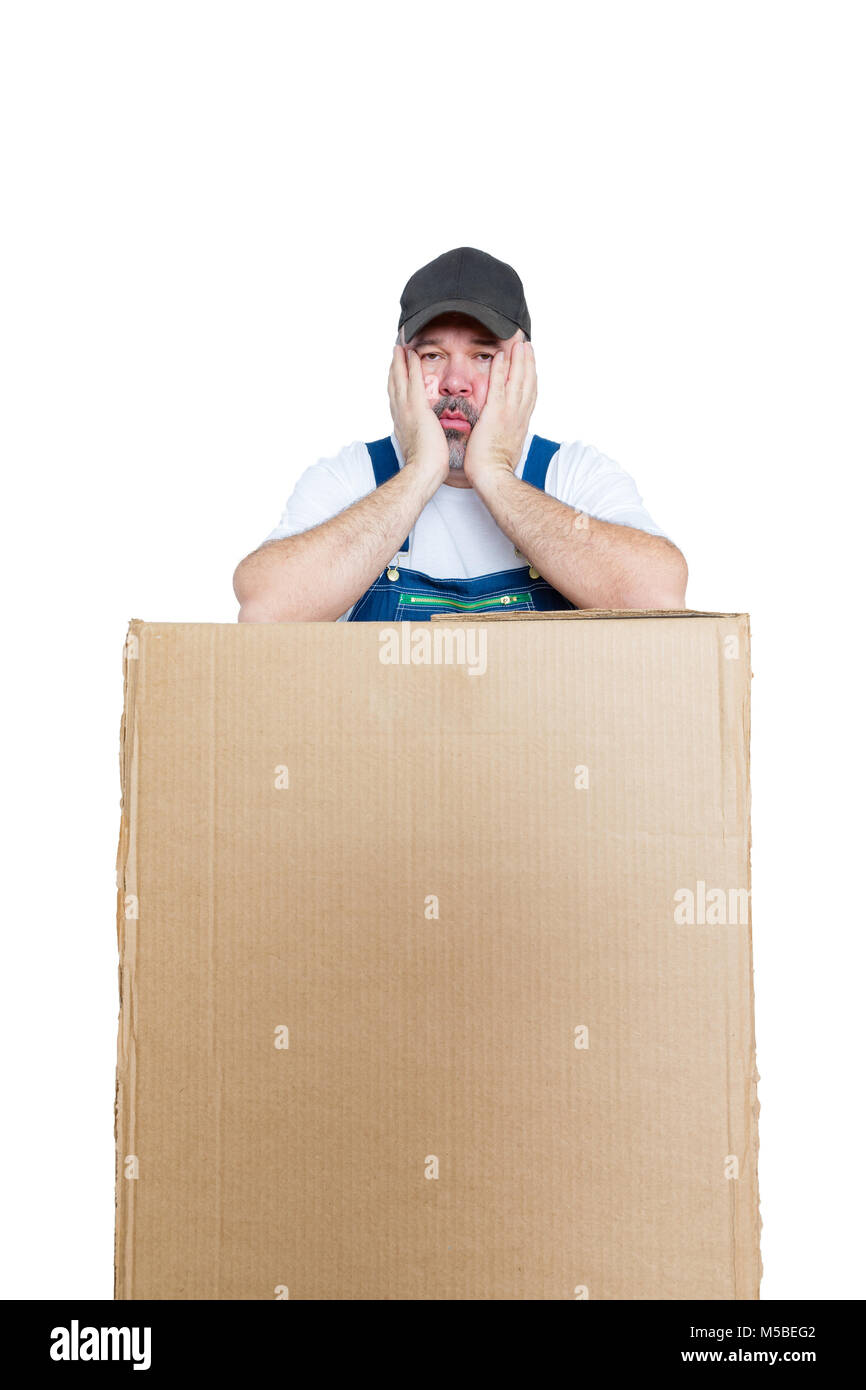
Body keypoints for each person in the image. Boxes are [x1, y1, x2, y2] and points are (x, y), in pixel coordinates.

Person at [233, 247, 687, 621]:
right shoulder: (349, 479)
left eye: (483, 356)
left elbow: (661, 601)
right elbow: (265, 611)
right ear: (399, 369)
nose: (455, 382)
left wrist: (494, 474)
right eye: (432, 356)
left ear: (523, 367)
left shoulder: (574, 476)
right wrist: (420, 471)